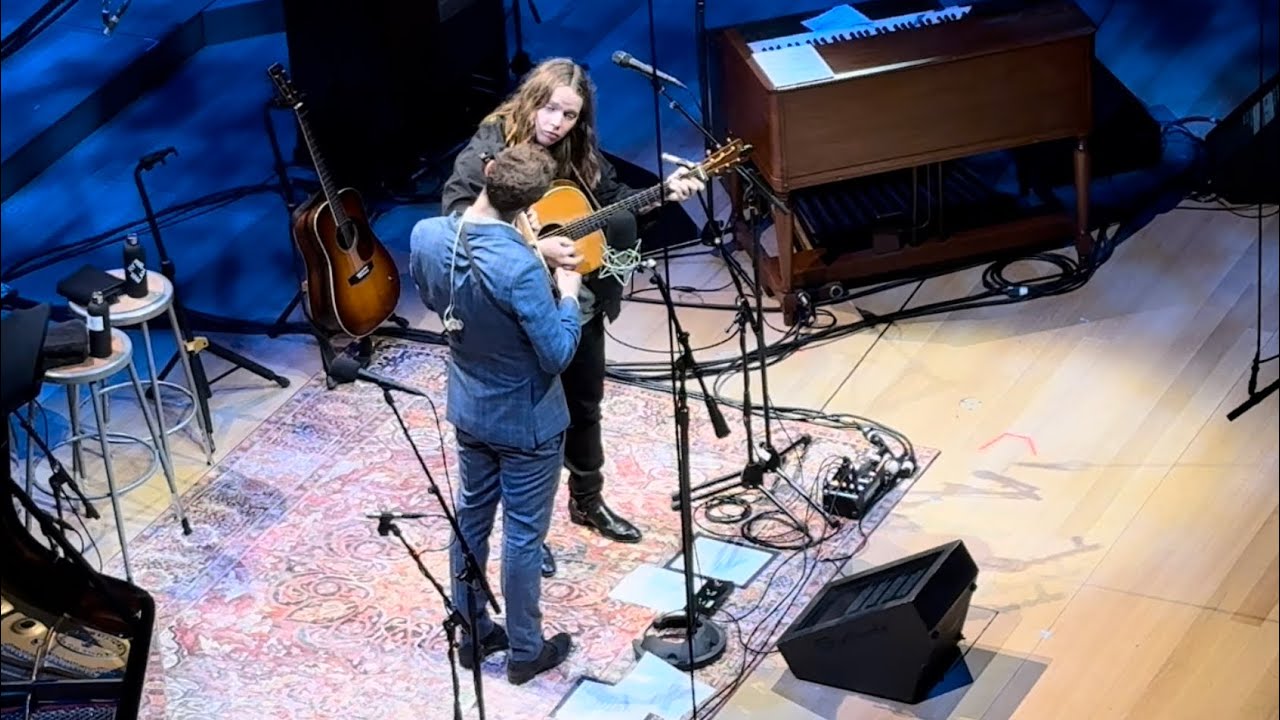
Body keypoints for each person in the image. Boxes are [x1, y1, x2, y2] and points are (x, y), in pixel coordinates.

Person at [441, 57, 705, 571]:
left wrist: (665, 194)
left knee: (585, 404)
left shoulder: (576, 148)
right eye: (550, 109)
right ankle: (528, 534)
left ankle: (588, 500)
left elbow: (609, 200)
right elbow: (455, 216)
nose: (555, 123)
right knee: (531, 427)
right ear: (531, 100)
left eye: (568, 115)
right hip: (513, 307)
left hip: (574, 299)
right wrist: (534, 252)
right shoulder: (492, 145)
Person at [410, 143, 582, 685]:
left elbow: (434, 296)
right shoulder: (521, 267)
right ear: (531, 205)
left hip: (470, 406)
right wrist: (569, 296)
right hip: (526, 419)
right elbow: (556, 354)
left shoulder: (426, 235)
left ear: (488, 174)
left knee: (470, 523)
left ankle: (473, 631)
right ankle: (526, 651)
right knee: (524, 537)